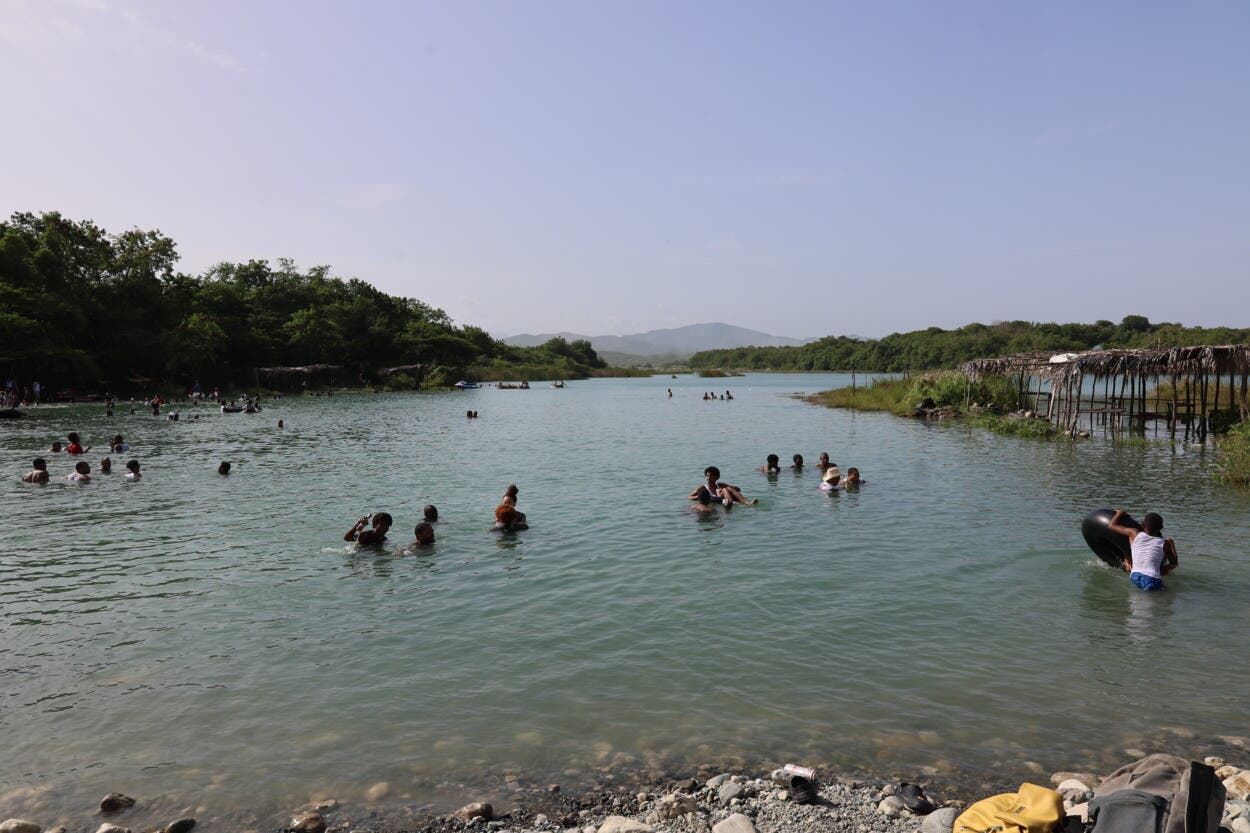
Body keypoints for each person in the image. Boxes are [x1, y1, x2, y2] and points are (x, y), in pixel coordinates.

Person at [1108, 510, 1178, 591]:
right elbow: (1174, 563)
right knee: (1166, 597)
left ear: (1143, 525)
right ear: (1161, 528)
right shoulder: (1165, 543)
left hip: (1135, 576)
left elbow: (1111, 526)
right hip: (1152, 580)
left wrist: (1120, 512)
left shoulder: (1134, 533)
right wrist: (1171, 543)